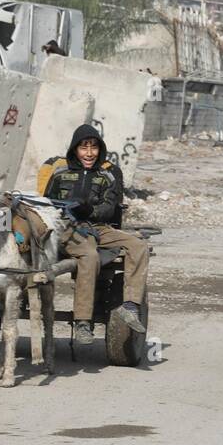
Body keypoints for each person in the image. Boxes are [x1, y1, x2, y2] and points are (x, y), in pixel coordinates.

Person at [42, 124, 148, 345]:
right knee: (89, 256)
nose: (89, 153)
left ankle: (130, 306)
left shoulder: (107, 176)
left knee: (138, 246)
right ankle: (83, 322)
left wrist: (90, 210)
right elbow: (47, 205)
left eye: (93, 147)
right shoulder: (60, 174)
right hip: (69, 228)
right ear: (75, 149)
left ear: (100, 149)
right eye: (84, 147)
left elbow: (110, 207)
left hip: (100, 227)